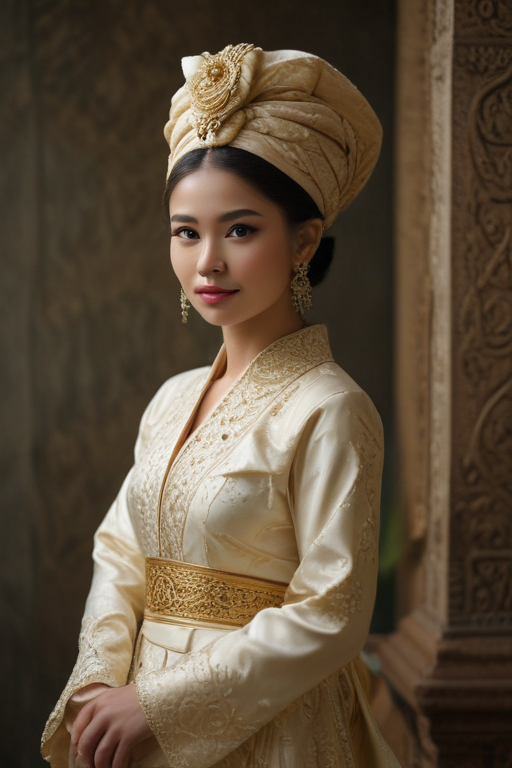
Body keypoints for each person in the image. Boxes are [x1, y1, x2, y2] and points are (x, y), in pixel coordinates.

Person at [41, 43, 401, 768]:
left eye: (239, 229)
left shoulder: (332, 408)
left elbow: (331, 616)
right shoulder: (172, 399)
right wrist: (101, 686)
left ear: (303, 241)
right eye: (186, 231)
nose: (207, 261)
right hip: (131, 714)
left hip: (272, 727)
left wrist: (162, 706)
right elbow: (120, 553)